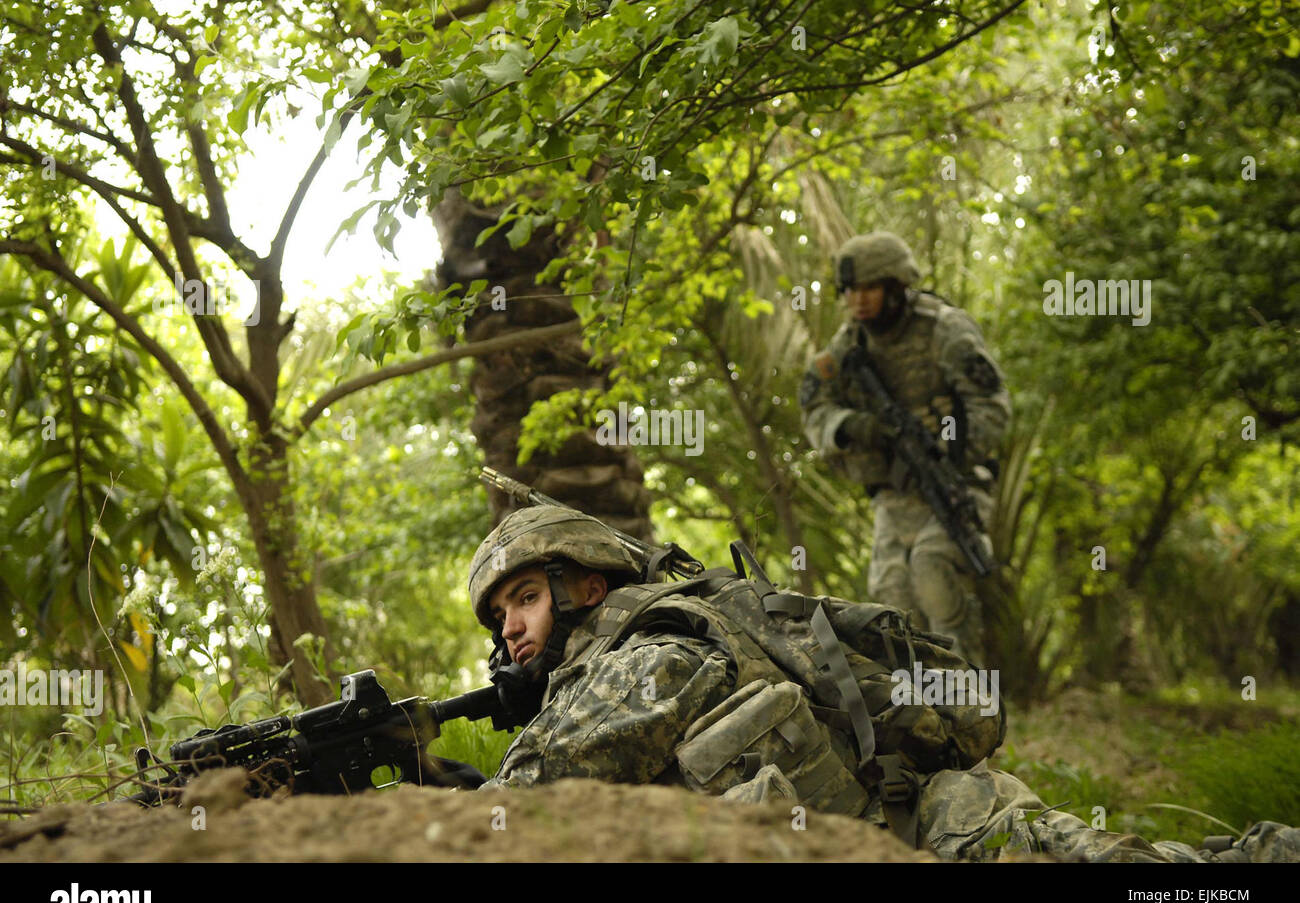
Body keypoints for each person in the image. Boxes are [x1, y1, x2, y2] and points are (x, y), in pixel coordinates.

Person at [466, 504, 1299, 863]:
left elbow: (533, 790)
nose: (511, 628)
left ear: (589, 590)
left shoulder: (646, 659)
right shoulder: (637, 654)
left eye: (527, 598)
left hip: (943, 831)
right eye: (501, 613)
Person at [799, 232, 1010, 656]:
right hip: (894, 498)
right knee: (889, 602)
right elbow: (812, 402)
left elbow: (991, 409)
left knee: (934, 572)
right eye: (849, 291)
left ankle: (967, 706)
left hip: (956, 484)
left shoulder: (944, 329)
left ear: (896, 286)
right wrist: (853, 426)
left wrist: (942, 447)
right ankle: (917, 716)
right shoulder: (848, 345)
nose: (857, 301)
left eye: (869, 288)